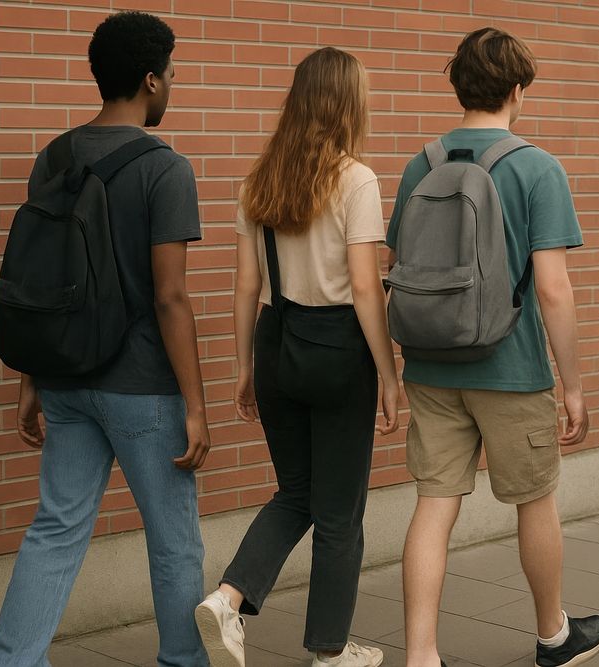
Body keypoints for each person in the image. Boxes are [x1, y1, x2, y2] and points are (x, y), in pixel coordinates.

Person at [0, 11, 210, 667]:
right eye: (171, 74)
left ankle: (12, 661)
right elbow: (171, 297)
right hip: (142, 388)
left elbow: (41, 282)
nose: (172, 85)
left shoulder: (53, 158)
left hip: (64, 379)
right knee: (173, 540)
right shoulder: (166, 169)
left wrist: (31, 380)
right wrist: (196, 406)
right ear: (150, 80)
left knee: (55, 528)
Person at [387, 28, 599, 667]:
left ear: (460, 88)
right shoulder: (537, 168)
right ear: (516, 90)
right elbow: (553, 289)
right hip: (511, 370)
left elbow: (398, 264)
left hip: (431, 365)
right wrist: (573, 386)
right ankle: (554, 636)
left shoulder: (421, 164)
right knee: (534, 502)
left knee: (434, 505)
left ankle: (421, 655)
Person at [194, 47, 399, 667]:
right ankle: (330, 653)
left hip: (276, 344)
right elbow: (365, 288)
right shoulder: (357, 180)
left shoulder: (259, 182)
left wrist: (244, 368)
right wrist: (388, 374)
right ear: (347, 103)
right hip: (337, 352)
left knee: (297, 493)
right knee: (339, 513)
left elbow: (245, 286)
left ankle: (228, 599)